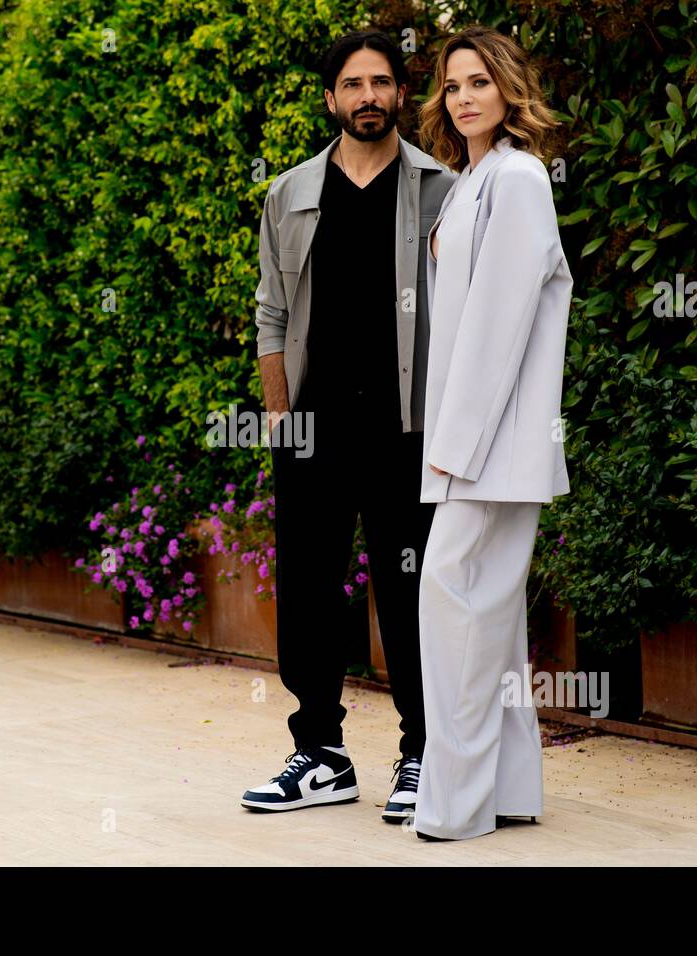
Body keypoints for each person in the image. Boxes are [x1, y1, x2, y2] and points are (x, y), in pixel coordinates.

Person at [242, 31, 457, 820]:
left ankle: (423, 754)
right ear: (330, 98)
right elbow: (270, 314)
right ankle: (320, 754)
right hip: (313, 429)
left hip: (407, 430)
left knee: (410, 593)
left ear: (401, 94)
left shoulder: (443, 189)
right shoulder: (290, 194)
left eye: (383, 82)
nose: (369, 95)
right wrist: (278, 417)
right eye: (352, 84)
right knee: (307, 590)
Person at [412, 25, 573, 841]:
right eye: (453, 84)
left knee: (449, 602)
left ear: (508, 88)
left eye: (480, 80)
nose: (465, 95)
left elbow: (505, 319)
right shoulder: (471, 180)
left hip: (491, 446)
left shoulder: (518, 178)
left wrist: (456, 440)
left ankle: (455, 804)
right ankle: (508, 790)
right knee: (492, 619)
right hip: (474, 444)